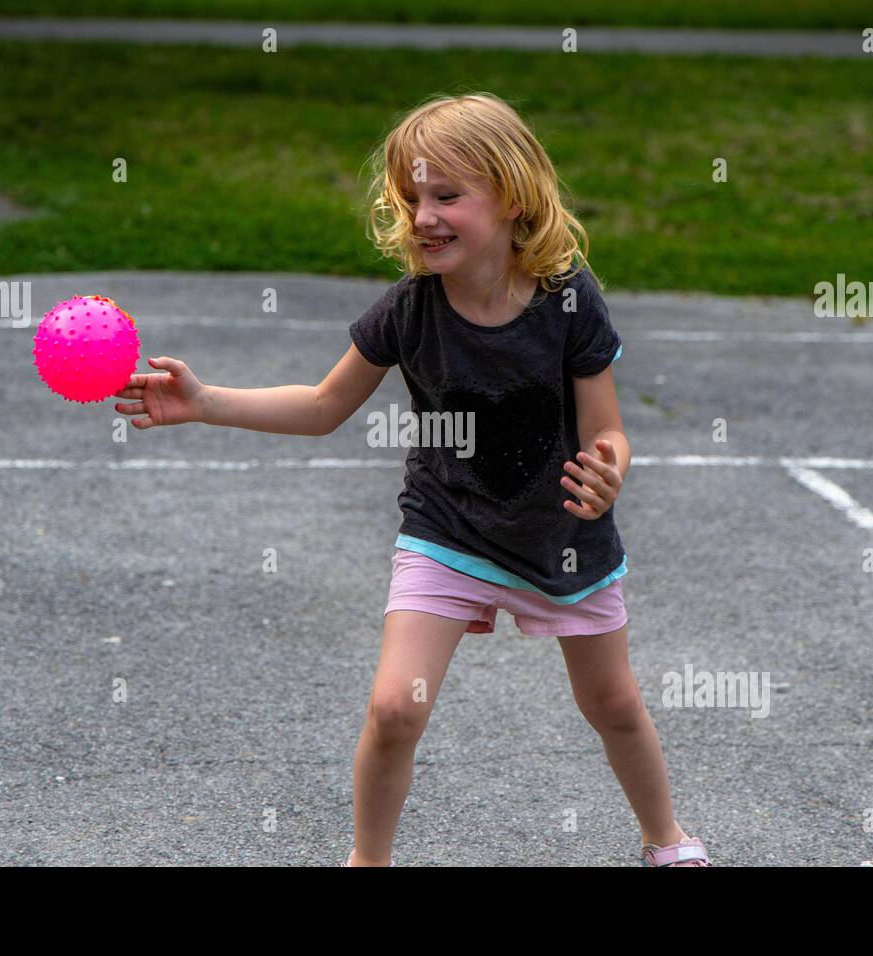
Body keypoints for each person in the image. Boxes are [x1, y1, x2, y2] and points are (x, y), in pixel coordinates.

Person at [112, 92, 711, 868]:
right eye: (412, 196)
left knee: (614, 704)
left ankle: (665, 838)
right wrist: (204, 403)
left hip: (561, 537)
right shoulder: (408, 310)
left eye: (447, 196)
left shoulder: (569, 301)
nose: (423, 215)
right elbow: (325, 405)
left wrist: (610, 473)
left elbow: (608, 432)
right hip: (448, 528)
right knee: (395, 707)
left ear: (514, 198)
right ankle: (369, 862)